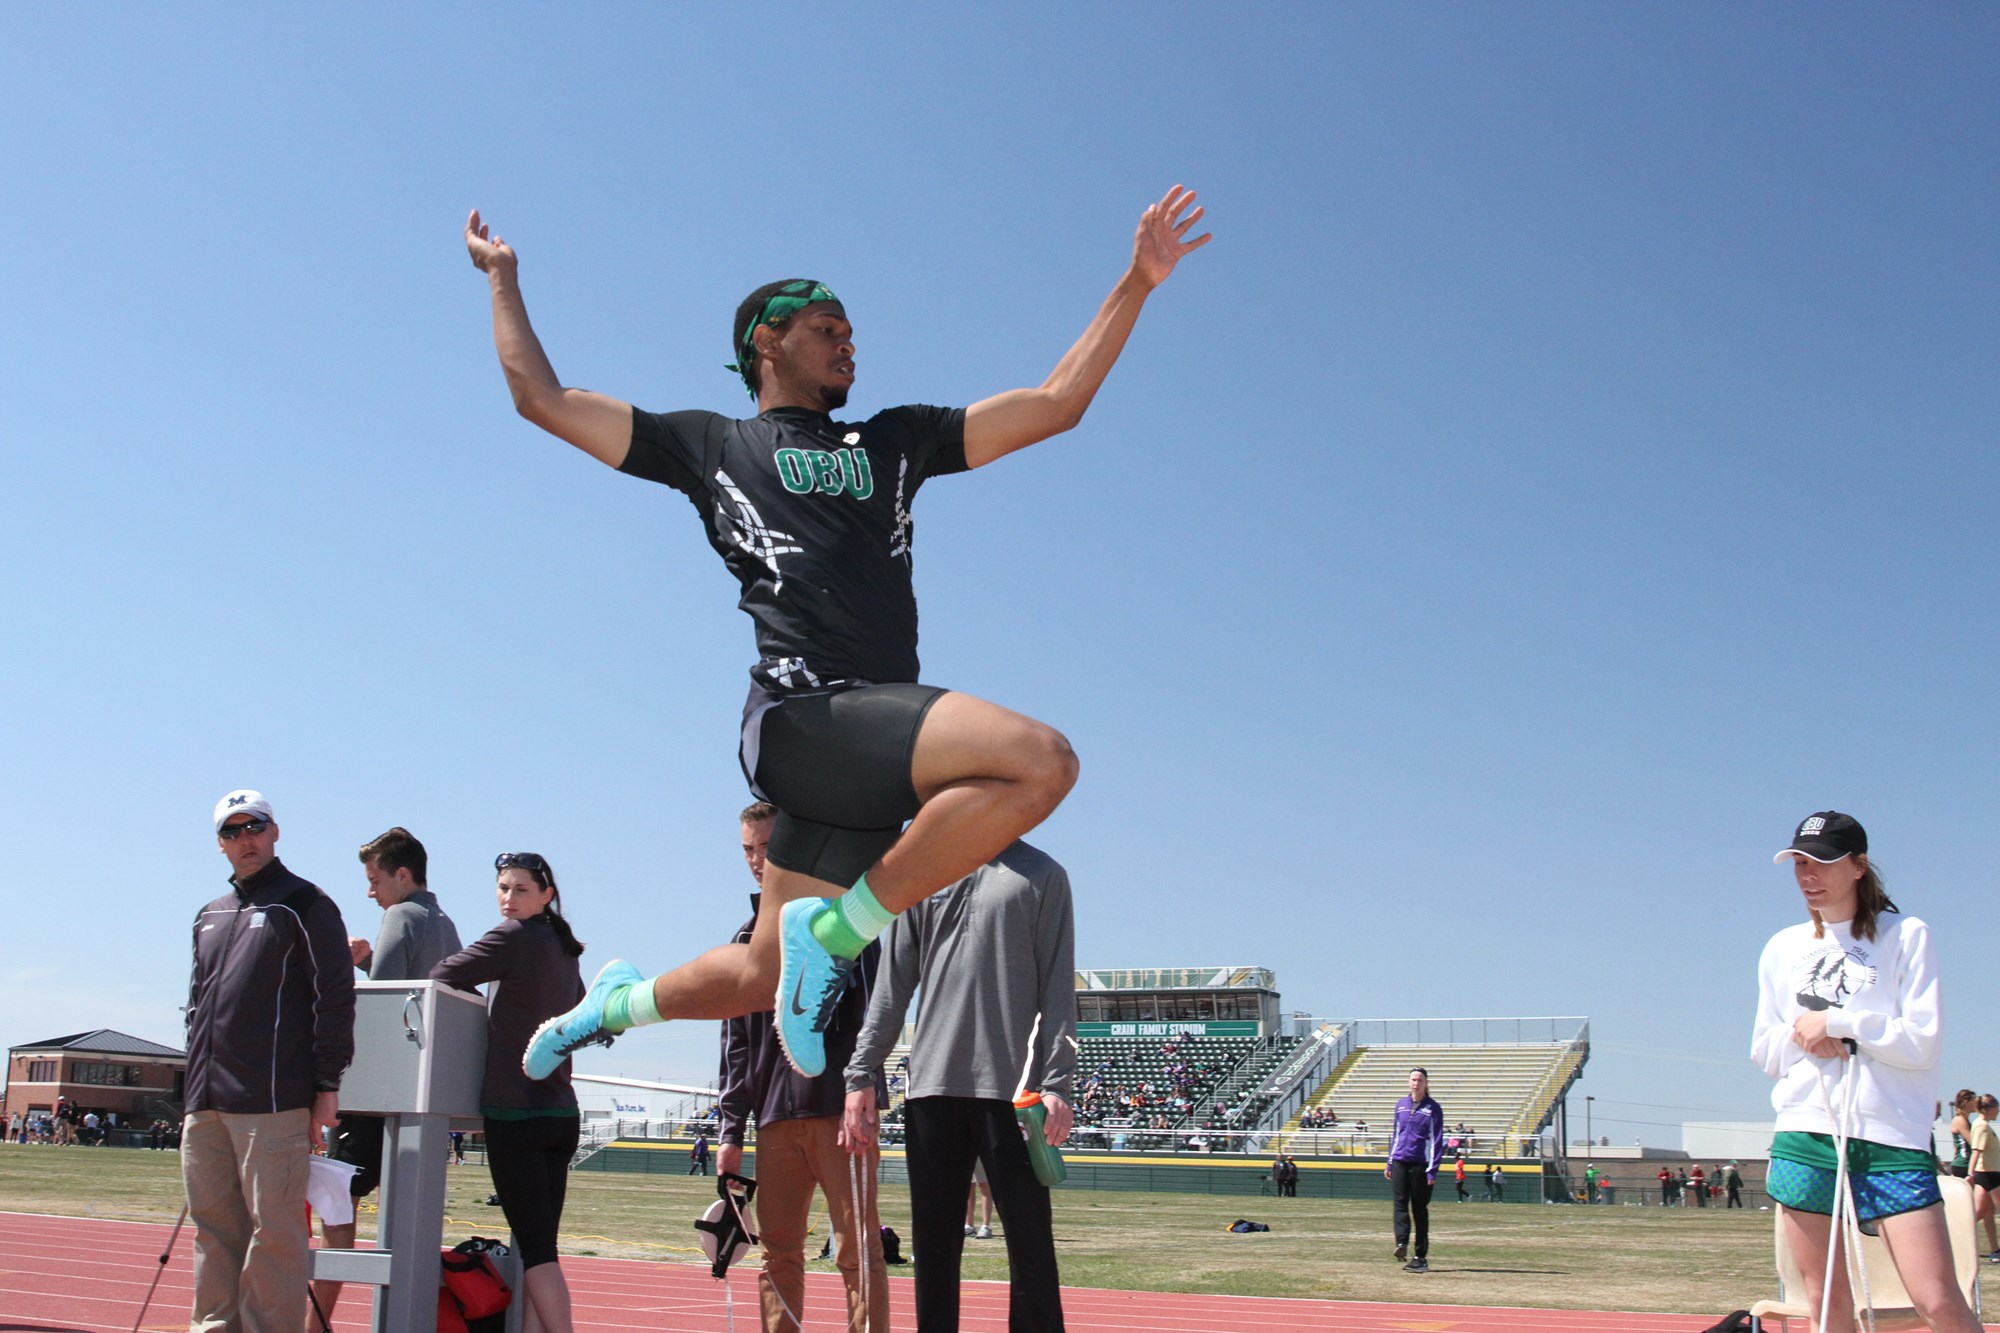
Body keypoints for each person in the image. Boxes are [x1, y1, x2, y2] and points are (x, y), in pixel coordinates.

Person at [464, 188, 1212, 1083]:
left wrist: (1135, 282)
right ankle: (846, 927)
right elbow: (540, 398)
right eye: (827, 324)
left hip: (860, 750)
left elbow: (1056, 403)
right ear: (765, 341)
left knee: (763, 971)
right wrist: (504, 280)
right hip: (804, 713)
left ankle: (613, 1001)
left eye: (851, 328)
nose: (848, 339)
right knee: (1041, 759)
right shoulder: (714, 444)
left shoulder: (895, 440)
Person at [1753, 810, 1983, 1333]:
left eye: (1823, 862)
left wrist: (1842, 1021)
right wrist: (1807, 1034)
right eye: (1799, 863)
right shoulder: (1781, 948)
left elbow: (1922, 1042)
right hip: (1805, 1134)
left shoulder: (1906, 935)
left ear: (1859, 866)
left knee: (1938, 1299)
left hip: (1890, 1138)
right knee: (1826, 1301)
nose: (1808, 874)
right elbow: (1765, 1052)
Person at [841, 842, 1076, 1333]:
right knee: (934, 1249)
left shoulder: (1042, 874)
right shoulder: (921, 870)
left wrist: (1057, 1082)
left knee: (1032, 1247)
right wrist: (861, 1072)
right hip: (931, 1087)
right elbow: (892, 984)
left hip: (1016, 1094)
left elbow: (1058, 983)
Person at [183, 789, 355, 1333]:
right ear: (219, 845)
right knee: (213, 1231)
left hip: (273, 1101)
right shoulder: (208, 916)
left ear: (274, 831)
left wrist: (327, 1083)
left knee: (275, 1234)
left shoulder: (306, 904)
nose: (244, 840)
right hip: (204, 1103)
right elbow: (196, 1005)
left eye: (253, 827)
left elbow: (336, 996)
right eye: (232, 832)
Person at [717, 800, 891, 1333]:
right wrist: (730, 1130)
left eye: (767, 847)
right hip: (773, 1120)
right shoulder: (744, 941)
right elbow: (736, 1047)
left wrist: (862, 1089)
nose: (756, 859)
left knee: (857, 1252)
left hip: (842, 1116)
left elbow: (874, 1018)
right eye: (748, 849)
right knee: (778, 1255)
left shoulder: (846, 925)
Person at [310, 826, 463, 1329]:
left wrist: (343, 966)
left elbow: (383, 1000)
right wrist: (371, 960)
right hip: (425, 1093)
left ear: (402, 875)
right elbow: (426, 989)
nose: (369, 891)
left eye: (374, 879)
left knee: (333, 1205)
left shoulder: (400, 915)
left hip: (380, 1090)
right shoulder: (445, 923)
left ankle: (313, 1322)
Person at [431, 853, 589, 1333]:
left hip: (516, 1115)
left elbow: (442, 973)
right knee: (538, 1246)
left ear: (546, 895)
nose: (508, 898)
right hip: (561, 1114)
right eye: (503, 888)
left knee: (538, 1253)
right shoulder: (562, 946)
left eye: (520, 889)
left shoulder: (512, 937)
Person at [1385, 1068, 1443, 1273]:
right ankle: (1401, 1244)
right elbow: (1396, 1134)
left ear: (1426, 1083)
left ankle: (1420, 1257)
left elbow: (1436, 1141)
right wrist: (1390, 1162)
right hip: (1400, 1161)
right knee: (1399, 1205)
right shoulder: (1401, 1105)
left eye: (1419, 1080)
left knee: (1419, 1210)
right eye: (1413, 1079)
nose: (1415, 1083)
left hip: (1421, 1164)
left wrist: (1432, 1170)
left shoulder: (1433, 1108)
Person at [1968, 1094, 2000, 1261]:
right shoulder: (1982, 1126)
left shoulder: (1984, 1125)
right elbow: (1976, 1151)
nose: (1998, 1111)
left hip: (1988, 1172)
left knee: (1983, 1213)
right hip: (1989, 1174)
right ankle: (1957, 1241)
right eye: (1997, 1107)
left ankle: (1995, 1250)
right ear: (1990, 1109)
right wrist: (1970, 1173)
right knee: (1979, 1213)